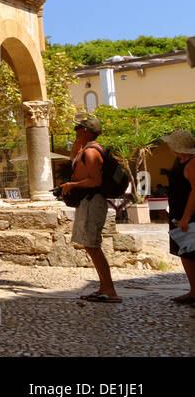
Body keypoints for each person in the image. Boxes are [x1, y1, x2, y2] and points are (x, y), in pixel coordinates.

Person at [61, 115, 119, 303]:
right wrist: (77, 142)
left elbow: (96, 180)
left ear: (86, 131)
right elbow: (74, 161)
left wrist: (72, 185)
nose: (75, 131)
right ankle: (104, 287)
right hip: (88, 201)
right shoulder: (85, 149)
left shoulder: (92, 152)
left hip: (93, 201)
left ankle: (110, 290)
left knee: (93, 245)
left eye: (78, 128)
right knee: (89, 244)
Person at [161, 129, 195, 304]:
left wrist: (186, 217)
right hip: (178, 214)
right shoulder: (180, 161)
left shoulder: (192, 163)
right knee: (185, 253)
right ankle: (193, 291)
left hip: (189, 216)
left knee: (192, 252)